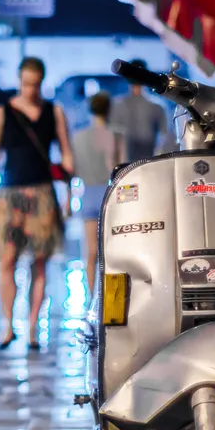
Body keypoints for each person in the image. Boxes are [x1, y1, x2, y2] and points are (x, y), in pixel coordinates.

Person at [0, 56, 74, 350]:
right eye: (26, 83)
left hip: (42, 193)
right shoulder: (2, 112)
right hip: (10, 196)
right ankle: (8, 324)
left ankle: (33, 326)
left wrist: (68, 194)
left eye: (35, 84)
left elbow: (67, 154)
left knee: (40, 262)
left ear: (41, 82)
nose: (30, 89)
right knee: (6, 260)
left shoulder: (53, 112)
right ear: (19, 80)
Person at [71, 92, 125, 296]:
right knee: (112, 251)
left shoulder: (78, 137)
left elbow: (73, 169)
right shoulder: (116, 134)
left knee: (91, 252)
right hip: (111, 195)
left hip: (88, 194)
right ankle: (111, 296)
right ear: (109, 109)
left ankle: (92, 297)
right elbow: (121, 168)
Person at [111, 59, 176, 163]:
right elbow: (114, 136)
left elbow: (164, 136)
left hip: (149, 160)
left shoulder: (156, 105)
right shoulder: (118, 105)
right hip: (127, 161)